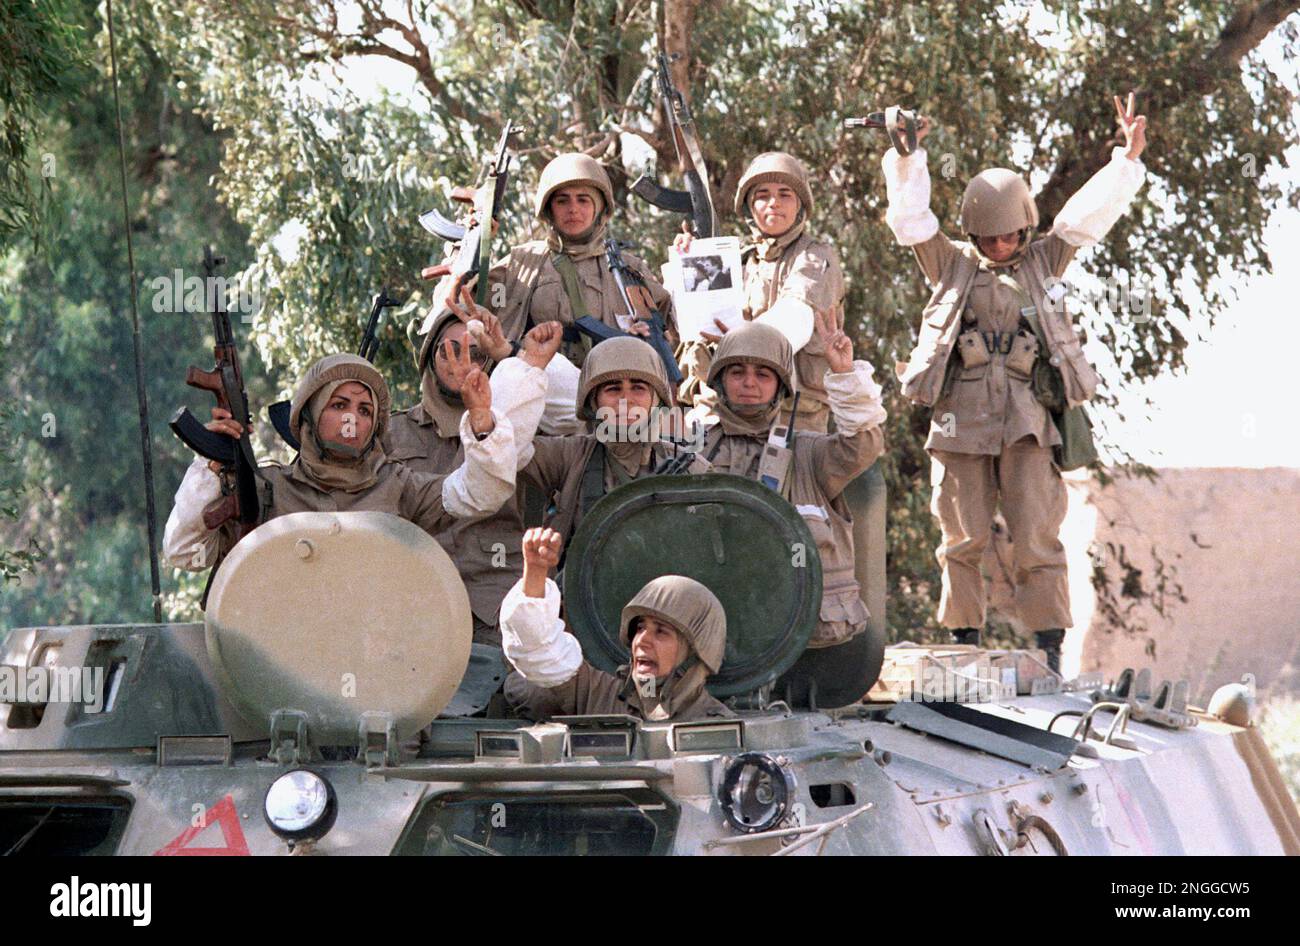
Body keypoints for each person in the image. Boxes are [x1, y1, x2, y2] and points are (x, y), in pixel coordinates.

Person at [882, 93, 1148, 671]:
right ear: (972, 234)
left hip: (1028, 424)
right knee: (961, 538)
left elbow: (1086, 216)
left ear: (1026, 228)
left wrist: (1124, 161)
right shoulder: (949, 263)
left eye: (1009, 236)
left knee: (1037, 537)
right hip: (958, 424)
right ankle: (963, 642)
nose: (1000, 247)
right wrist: (908, 158)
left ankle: (1049, 645)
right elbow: (910, 221)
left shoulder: (1046, 260)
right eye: (989, 238)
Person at [162, 351, 522, 574]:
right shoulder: (267, 488)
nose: (353, 419)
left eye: (364, 410)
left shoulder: (400, 486)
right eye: (339, 406)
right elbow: (184, 554)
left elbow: (479, 494)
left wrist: (481, 421)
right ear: (310, 416)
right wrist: (210, 466)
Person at [697, 319, 886, 649]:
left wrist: (843, 374)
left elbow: (863, 445)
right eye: (737, 372)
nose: (749, 383)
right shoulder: (691, 448)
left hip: (799, 638)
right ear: (720, 381)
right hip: (710, 634)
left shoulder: (809, 452)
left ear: (780, 387)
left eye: (763, 374)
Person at [383, 310, 565, 644]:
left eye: (474, 353)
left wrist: (520, 358)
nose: (461, 362)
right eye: (448, 350)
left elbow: (578, 413)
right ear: (427, 358)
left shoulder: (516, 425)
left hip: (498, 602)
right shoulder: (391, 434)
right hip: (414, 603)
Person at [436, 153, 676, 368]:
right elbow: (469, 303)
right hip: (535, 384)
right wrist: (472, 246)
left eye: (583, 199)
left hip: (611, 388)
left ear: (600, 208)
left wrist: (685, 257)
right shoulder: (521, 265)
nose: (573, 209)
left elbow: (673, 320)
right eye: (563, 200)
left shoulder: (628, 269)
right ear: (549, 209)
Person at [676, 151, 843, 432]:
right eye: (762, 195)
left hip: (791, 419)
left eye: (785, 194)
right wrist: (690, 261)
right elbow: (688, 324)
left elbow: (794, 322)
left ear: (800, 205)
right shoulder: (734, 258)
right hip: (721, 412)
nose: (773, 203)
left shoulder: (816, 257)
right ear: (749, 206)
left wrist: (733, 343)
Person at [501, 527, 733, 721]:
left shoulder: (717, 725)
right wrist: (536, 572)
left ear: (694, 652)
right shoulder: (598, 693)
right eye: (640, 628)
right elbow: (538, 651)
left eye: (661, 632)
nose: (642, 640)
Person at [523, 335, 697, 551]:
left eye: (638, 388)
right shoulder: (568, 455)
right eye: (613, 389)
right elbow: (507, 453)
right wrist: (532, 367)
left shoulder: (690, 466)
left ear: (656, 400)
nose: (626, 400)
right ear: (593, 401)